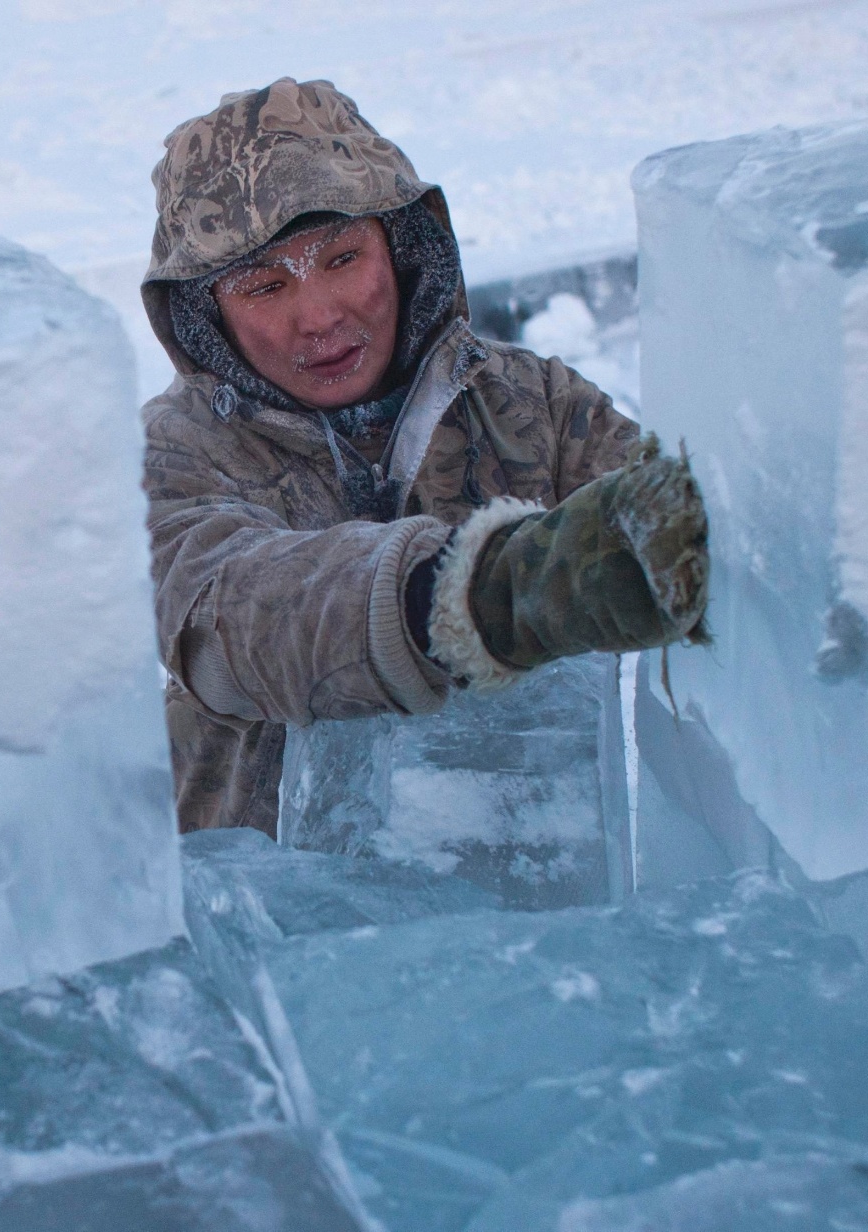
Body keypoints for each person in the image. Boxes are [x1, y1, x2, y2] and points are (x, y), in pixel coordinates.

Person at [141, 78, 710, 836]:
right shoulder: (169, 455)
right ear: (207, 316)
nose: (319, 316)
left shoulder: (533, 403)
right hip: (264, 897)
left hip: (528, 881)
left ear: (403, 250)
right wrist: (481, 593)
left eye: (343, 258)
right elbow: (228, 628)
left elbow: (697, 527)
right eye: (266, 286)